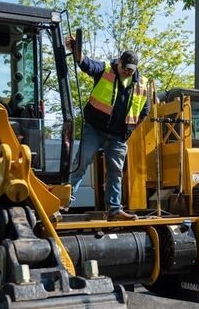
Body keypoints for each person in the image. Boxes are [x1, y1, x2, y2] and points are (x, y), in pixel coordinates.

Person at [64, 39, 149, 221]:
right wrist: (76, 51)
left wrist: (131, 130)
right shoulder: (104, 70)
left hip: (119, 137)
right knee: (81, 163)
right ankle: (63, 203)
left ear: (135, 69)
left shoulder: (141, 84)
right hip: (94, 130)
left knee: (115, 172)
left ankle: (114, 211)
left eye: (130, 70)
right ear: (118, 62)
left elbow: (145, 111)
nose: (126, 72)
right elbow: (86, 64)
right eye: (124, 68)